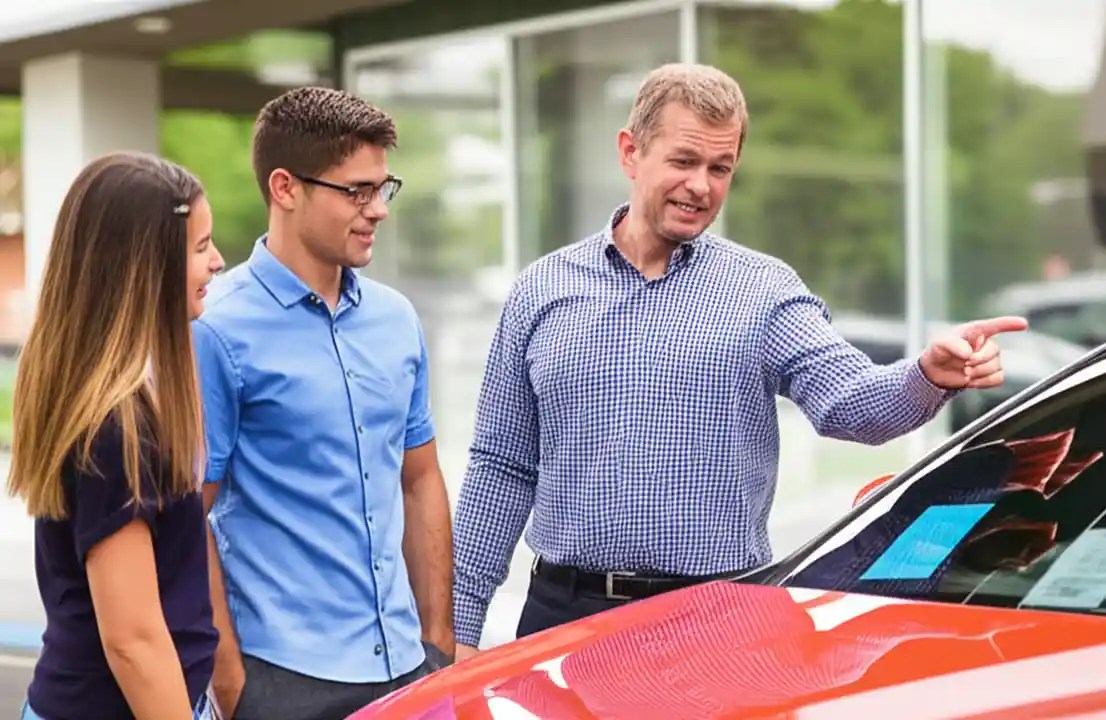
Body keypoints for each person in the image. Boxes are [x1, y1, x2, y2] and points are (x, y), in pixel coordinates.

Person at [451, 62, 1028, 658]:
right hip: (561, 619)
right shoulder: (542, 288)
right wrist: (459, 623)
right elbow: (502, 464)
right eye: (683, 161)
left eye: (720, 168)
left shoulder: (763, 290)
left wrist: (928, 375)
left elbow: (853, 405)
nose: (701, 186)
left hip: (716, 623)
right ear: (631, 152)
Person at [193, 86, 454, 720]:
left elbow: (419, 480)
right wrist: (232, 683)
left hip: (405, 664)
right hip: (282, 677)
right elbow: (187, 516)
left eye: (383, 188)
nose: (378, 210)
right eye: (356, 191)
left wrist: (438, 643)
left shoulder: (396, 319)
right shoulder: (215, 329)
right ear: (285, 188)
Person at [6, 151, 225, 719]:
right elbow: (132, 640)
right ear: (144, 268)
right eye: (201, 248)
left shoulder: (114, 404)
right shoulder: (116, 427)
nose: (218, 262)